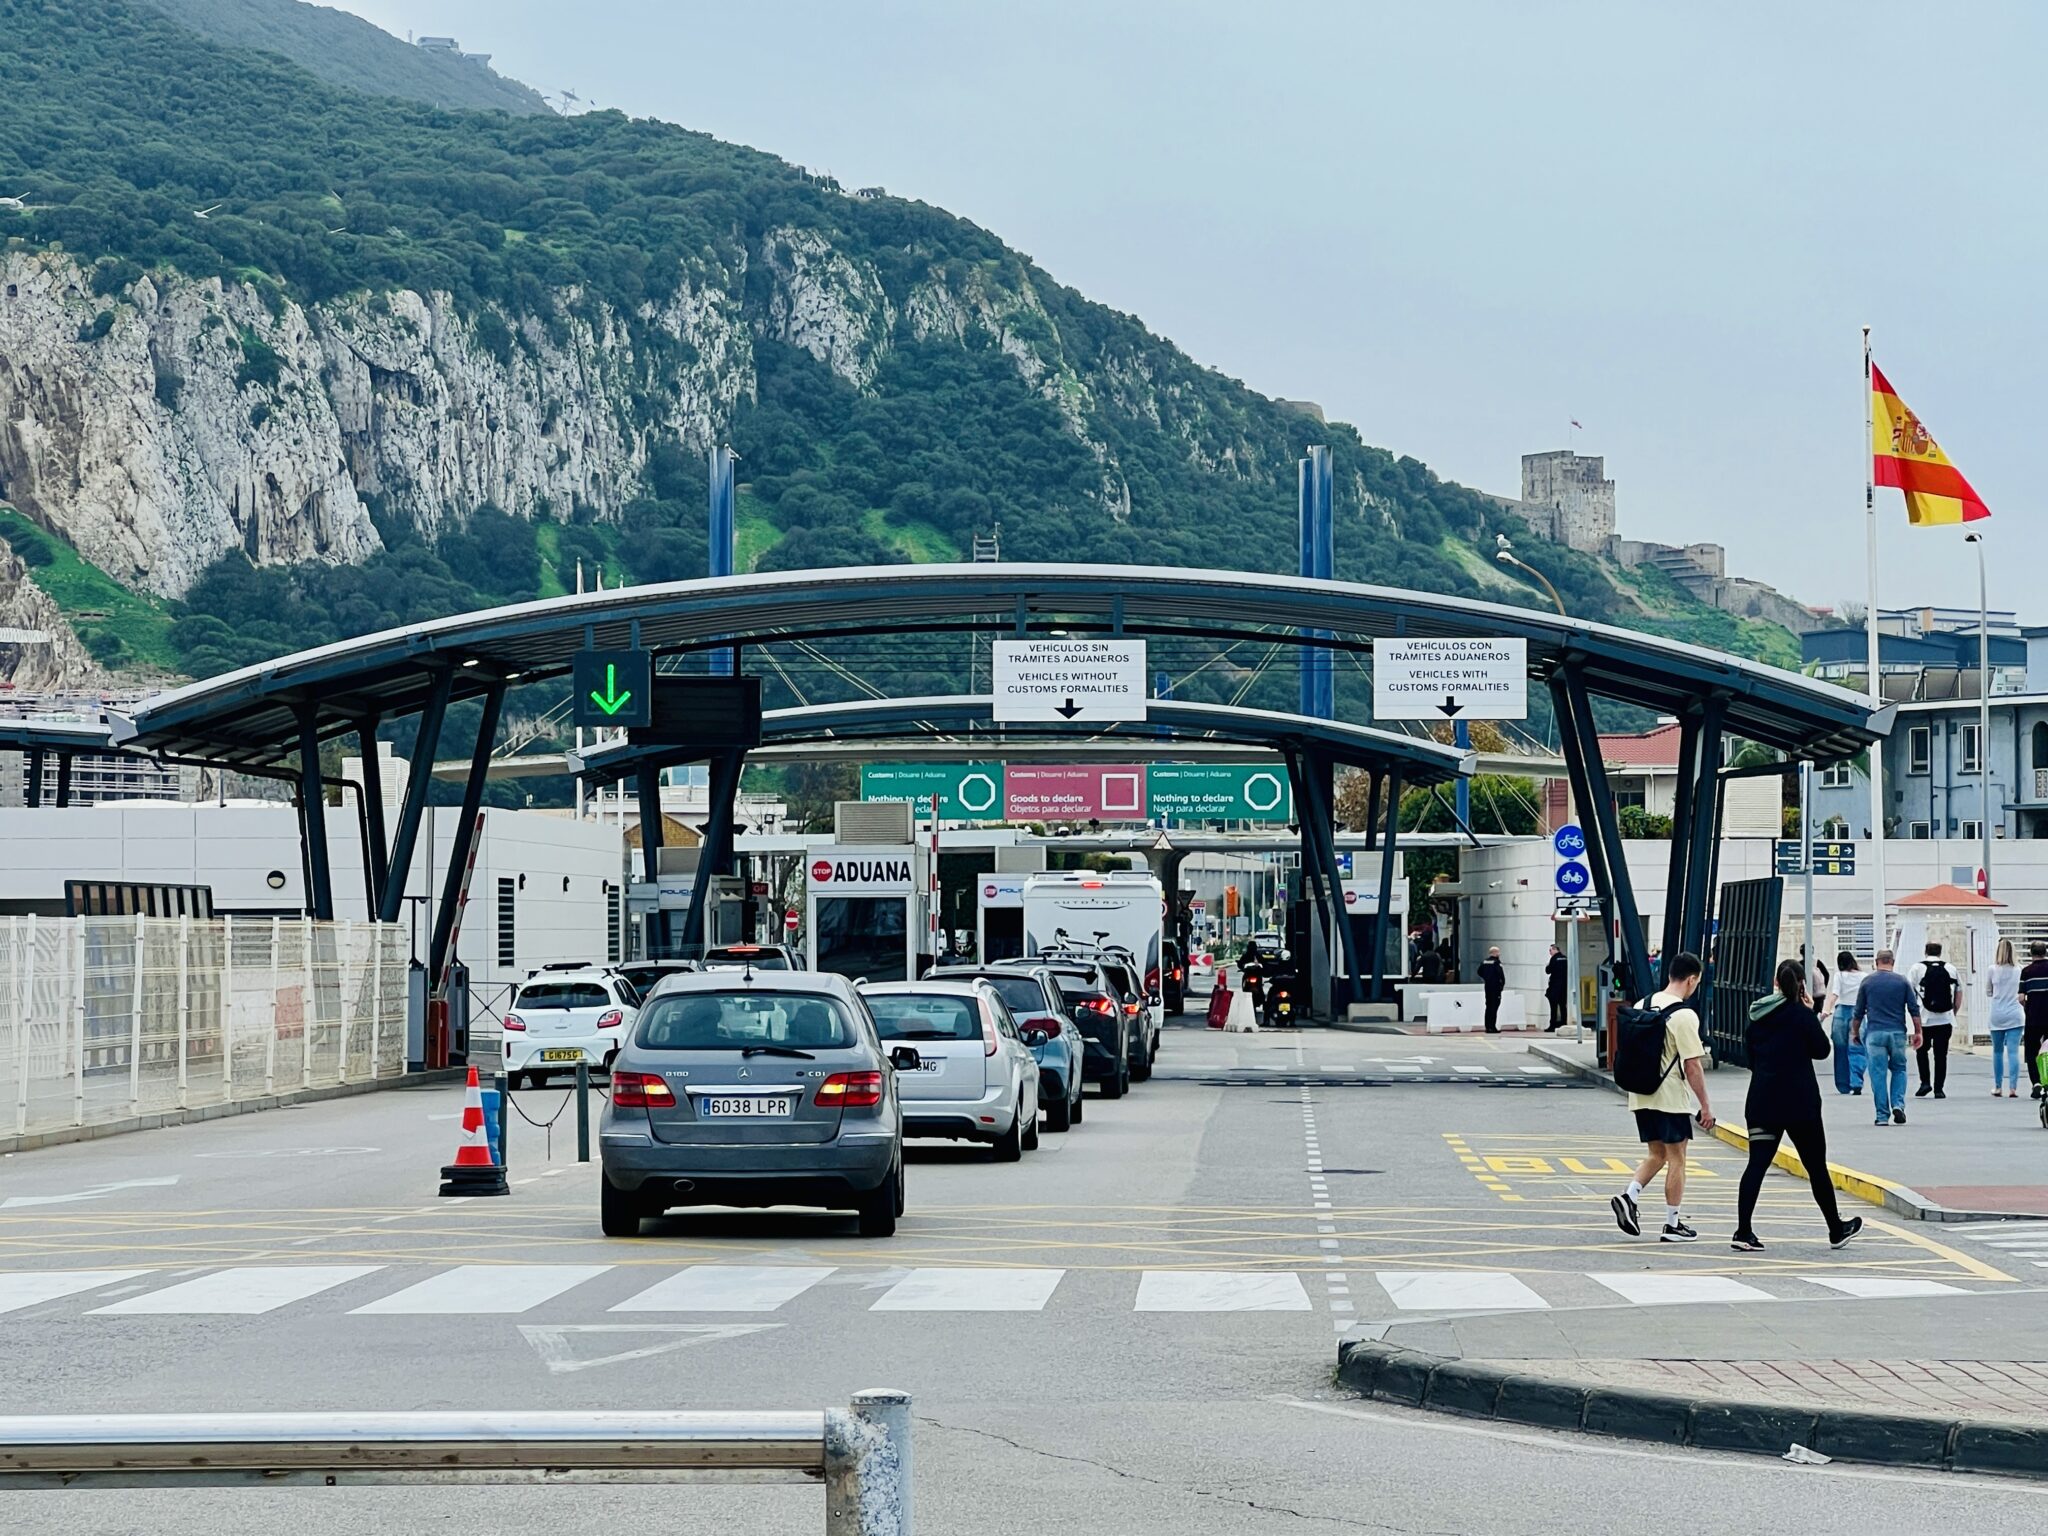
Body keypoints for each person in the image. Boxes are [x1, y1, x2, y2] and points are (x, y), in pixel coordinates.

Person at [1731, 959, 1863, 1254]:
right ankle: (1835, 1228)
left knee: (1757, 1164)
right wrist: (1809, 1012)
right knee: (1816, 1167)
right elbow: (1822, 1050)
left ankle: (1743, 1230)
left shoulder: (1756, 1015)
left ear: (1775, 983)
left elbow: (1749, 1058)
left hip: (1762, 1101)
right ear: (1802, 985)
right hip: (1800, 1104)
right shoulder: (1801, 1016)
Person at [1611, 952, 1715, 1243]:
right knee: (1677, 1159)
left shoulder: (1644, 1003)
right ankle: (1672, 1224)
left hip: (1640, 1094)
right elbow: (1692, 1065)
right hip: (1669, 1096)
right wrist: (1705, 1106)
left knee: (1656, 1154)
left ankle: (1629, 1196)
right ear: (1692, 979)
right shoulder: (1683, 1015)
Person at [1851, 948, 1923, 1125]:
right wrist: (1918, 1031)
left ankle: (1882, 1115)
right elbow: (1914, 1009)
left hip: (1875, 1033)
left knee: (1878, 1074)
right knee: (1899, 1069)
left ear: (1877, 962)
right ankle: (1898, 1104)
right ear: (1892, 962)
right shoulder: (1902, 982)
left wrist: (1855, 1032)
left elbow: (1858, 1012)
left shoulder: (1867, 982)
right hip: (1897, 1033)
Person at [1907, 941, 1958, 1099]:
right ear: (1940, 952)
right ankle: (1939, 1088)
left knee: (1921, 1051)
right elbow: (1958, 993)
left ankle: (1925, 1082)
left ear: (1925, 951)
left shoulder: (1917, 968)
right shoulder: (1951, 968)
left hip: (1924, 1019)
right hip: (1945, 1018)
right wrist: (1953, 1012)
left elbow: (1910, 993)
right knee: (1941, 1054)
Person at [1986, 937, 2024, 1099]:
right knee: (2014, 1051)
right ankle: (2013, 1087)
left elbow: (1989, 991)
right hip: (2015, 1013)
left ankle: (1998, 1086)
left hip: (1997, 1013)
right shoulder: (2020, 970)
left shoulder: (1992, 969)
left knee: (1997, 1051)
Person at [1828, 951, 1866, 1096]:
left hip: (1840, 1012)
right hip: (1858, 1013)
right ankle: (1856, 1082)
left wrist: (1827, 1010)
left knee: (1840, 1049)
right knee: (1857, 1048)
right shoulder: (1863, 976)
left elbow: (1835, 994)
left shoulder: (1840, 975)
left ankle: (1843, 1085)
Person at [2022, 941, 2048, 1101]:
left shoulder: (2026, 971)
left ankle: (2036, 1082)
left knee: (2032, 1051)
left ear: (2031, 953)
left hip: (2033, 1017)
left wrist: (2029, 1007)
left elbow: (2020, 998)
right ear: (2045, 952)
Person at [1478, 946, 1506, 1033]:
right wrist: (1501, 984)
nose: (1499, 954)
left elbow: (1479, 971)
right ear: (1494, 953)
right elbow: (1500, 974)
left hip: (1488, 987)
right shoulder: (1496, 962)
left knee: (1488, 1006)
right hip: (1495, 988)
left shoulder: (1485, 962)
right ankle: (1492, 1027)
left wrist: (1486, 978)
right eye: (1498, 952)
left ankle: (1487, 1026)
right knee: (1494, 1007)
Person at [1544, 944, 1568, 1031]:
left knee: (1553, 1007)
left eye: (1550, 950)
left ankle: (1552, 1025)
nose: (1550, 953)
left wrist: (1547, 965)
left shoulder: (1554, 959)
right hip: (1564, 986)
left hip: (1554, 986)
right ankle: (1564, 1023)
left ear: (1554, 950)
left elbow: (1548, 970)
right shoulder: (1565, 958)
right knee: (1563, 1006)